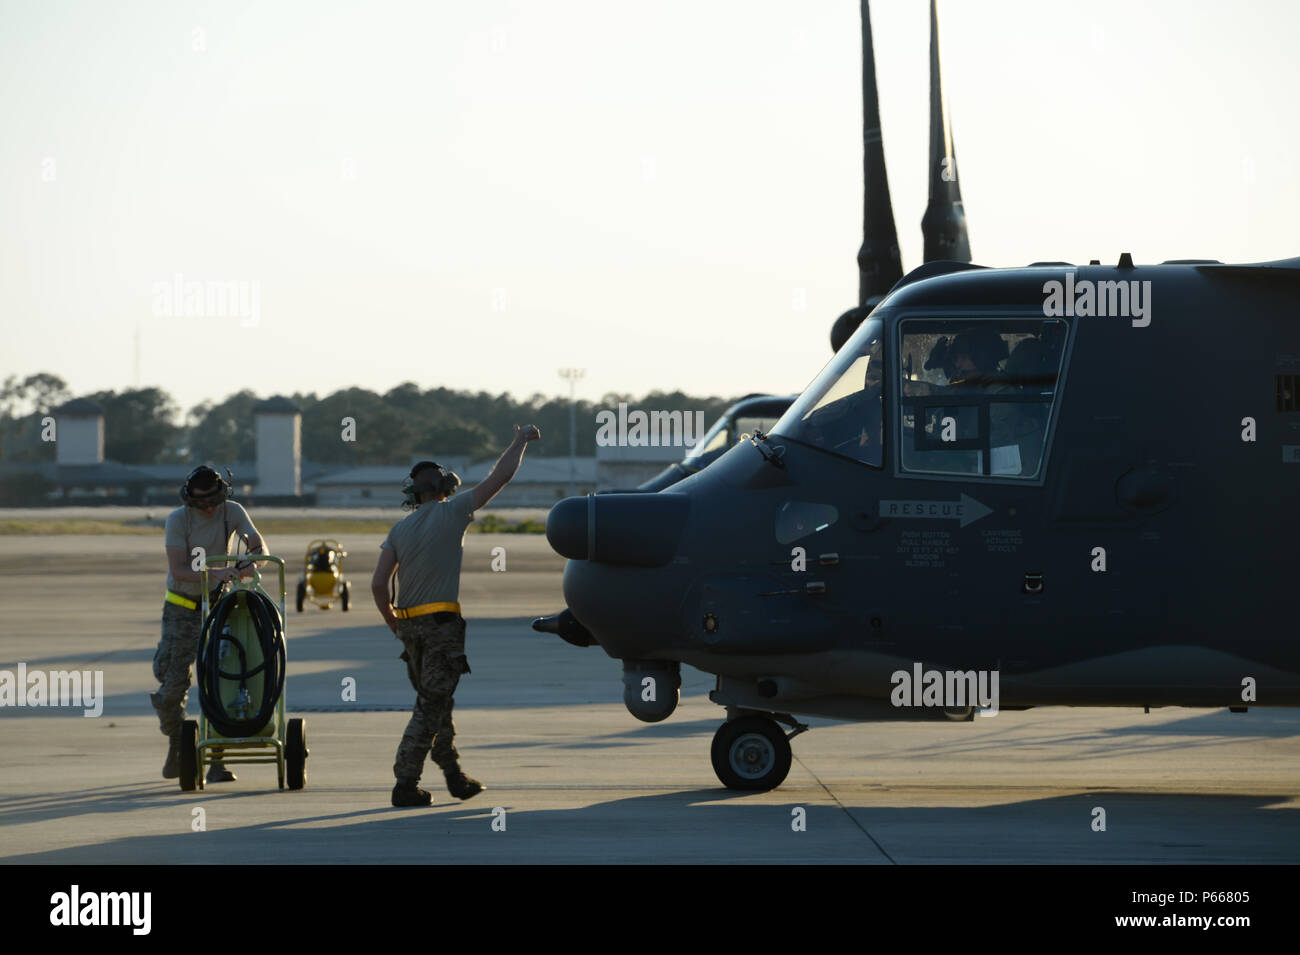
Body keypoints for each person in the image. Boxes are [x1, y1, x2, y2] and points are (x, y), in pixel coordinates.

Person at [373, 425, 541, 808]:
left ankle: (453, 776)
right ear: (445, 487)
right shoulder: (455, 511)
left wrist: (393, 623)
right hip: (441, 627)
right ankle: (405, 782)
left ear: (414, 494)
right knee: (432, 704)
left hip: (410, 627)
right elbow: (500, 477)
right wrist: (518, 442)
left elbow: (379, 585)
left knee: (437, 700)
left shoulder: (399, 529)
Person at [153, 465, 266, 781]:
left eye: (212, 503)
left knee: (220, 682)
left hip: (218, 605)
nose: (207, 509)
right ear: (189, 499)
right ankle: (179, 743)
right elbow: (178, 569)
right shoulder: (178, 519)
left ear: (222, 496)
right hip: (182, 608)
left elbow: (258, 545)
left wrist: (250, 562)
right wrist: (213, 573)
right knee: (171, 686)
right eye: (200, 504)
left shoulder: (232, 511)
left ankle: (215, 760)